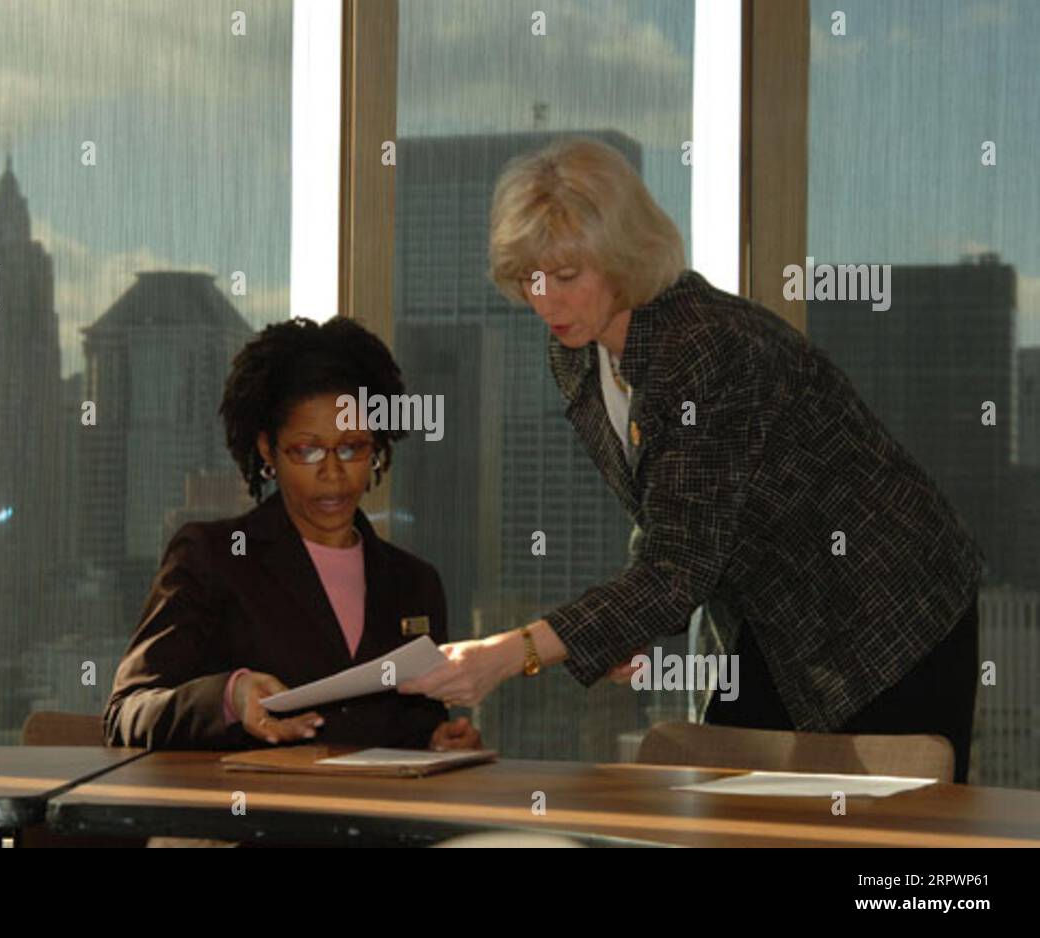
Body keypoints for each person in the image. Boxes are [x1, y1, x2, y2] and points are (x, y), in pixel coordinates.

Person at [398, 137, 984, 782]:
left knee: (886, 853)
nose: (546, 302)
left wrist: (510, 653)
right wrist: (634, 621)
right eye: (531, 278)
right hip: (766, 607)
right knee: (740, 812)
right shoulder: (578, 349)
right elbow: (670, 511)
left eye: (567, 277)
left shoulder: (706, 349)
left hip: (887, 608)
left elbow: (678, 565)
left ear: (623, 257)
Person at [105, 316, 482, 752]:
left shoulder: (416, 583)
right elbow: (126, 714)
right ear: (268, 450)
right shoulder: (212, 558)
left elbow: (408, 726)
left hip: (373, 817)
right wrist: (230, 697)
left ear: (376, 447)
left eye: (352, 447)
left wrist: (438, 741)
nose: (333, 473)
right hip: (252, 816)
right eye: (307, 450)